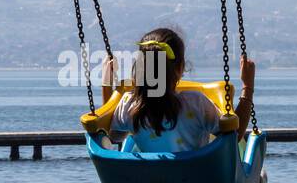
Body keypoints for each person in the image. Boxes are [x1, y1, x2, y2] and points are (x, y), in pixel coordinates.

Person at [99, 26, 256, 153]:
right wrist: (247, 86)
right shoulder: (196, 104)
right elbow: (233, 136)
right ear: (180, 68)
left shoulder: (129, 104)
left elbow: (111, 137)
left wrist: (107, 85)